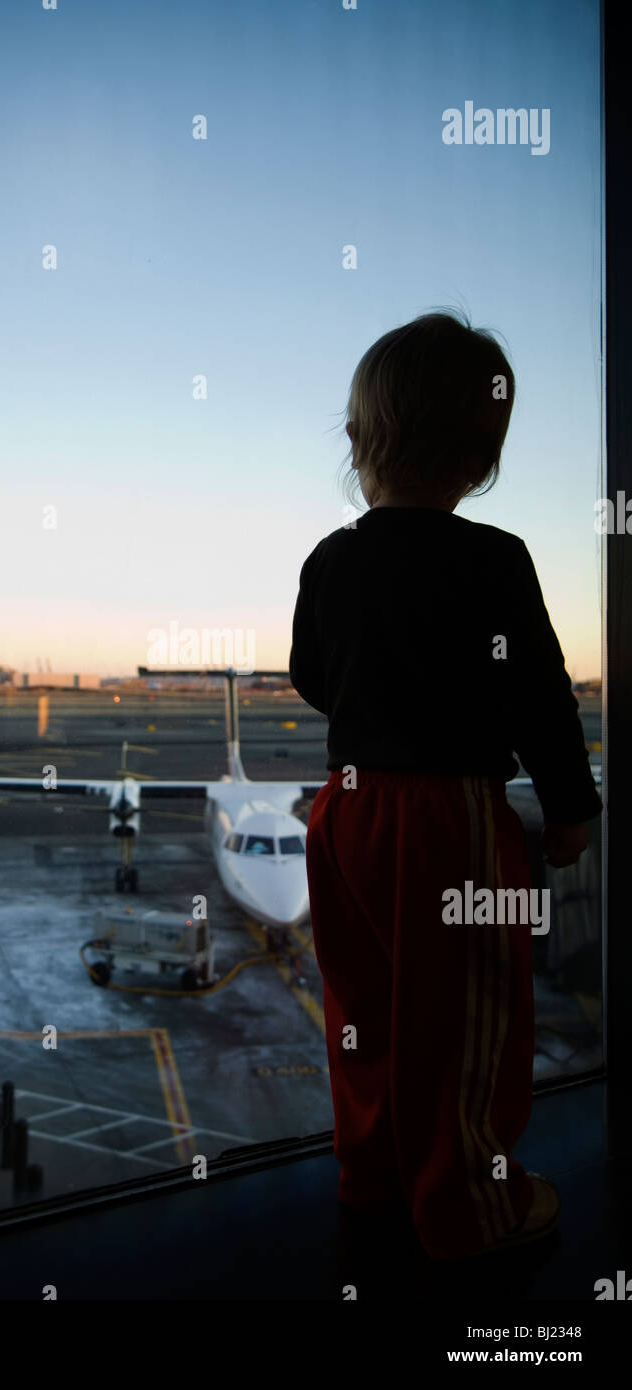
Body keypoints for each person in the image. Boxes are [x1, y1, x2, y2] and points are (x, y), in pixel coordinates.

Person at [289, 310, 602, 1260]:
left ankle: (371, 1179)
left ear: (357, 442)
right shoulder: (492, 559)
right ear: (483, 454)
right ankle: (470, 1209)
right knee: (466, 1025)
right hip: (450, 821)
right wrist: (569, 811)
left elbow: (311, 677)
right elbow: (541, 698)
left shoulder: (332, 559)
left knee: (366, 1013)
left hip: (346, 814)